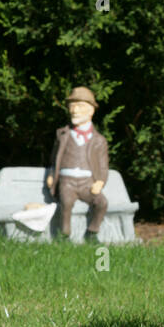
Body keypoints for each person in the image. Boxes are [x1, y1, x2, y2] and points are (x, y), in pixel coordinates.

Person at [47, 86, 109, 240]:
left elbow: (103, 165)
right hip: (66, 181)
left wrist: (100, 181)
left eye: (80, 106)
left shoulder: (99, 140)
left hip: (87, 183)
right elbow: (54, 159)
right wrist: (51, 175)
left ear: (91, 111)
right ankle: (64, 235)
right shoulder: (62, 134)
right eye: (72, 106)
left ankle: (92, 232)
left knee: (101, 202)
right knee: (66, 202)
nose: (74, 111)